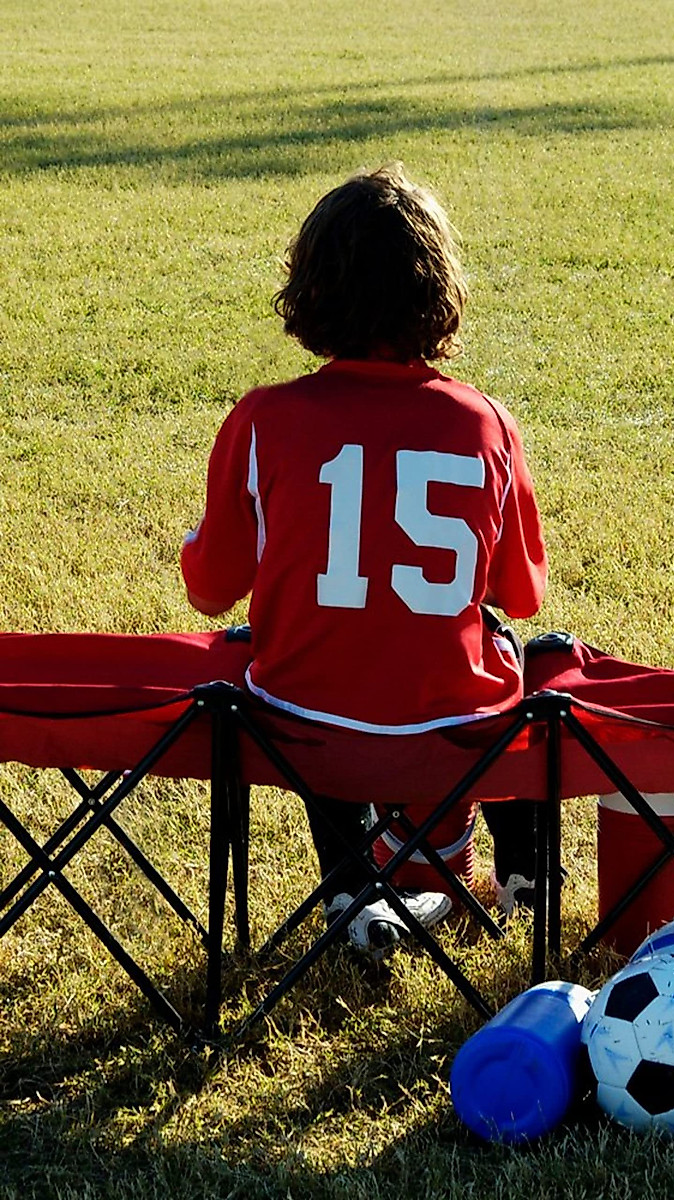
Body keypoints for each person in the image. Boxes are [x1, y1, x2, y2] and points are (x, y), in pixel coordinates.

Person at [180, 163, 547, 956]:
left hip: (303, 734)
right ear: (439, 292)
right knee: (526, 661)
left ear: (309, 290)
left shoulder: (263, 418)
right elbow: (521, 594)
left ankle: (349, 886)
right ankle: (527, 881)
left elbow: (210, 593)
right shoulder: (485, 423)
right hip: (454, 733)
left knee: (301, 663)